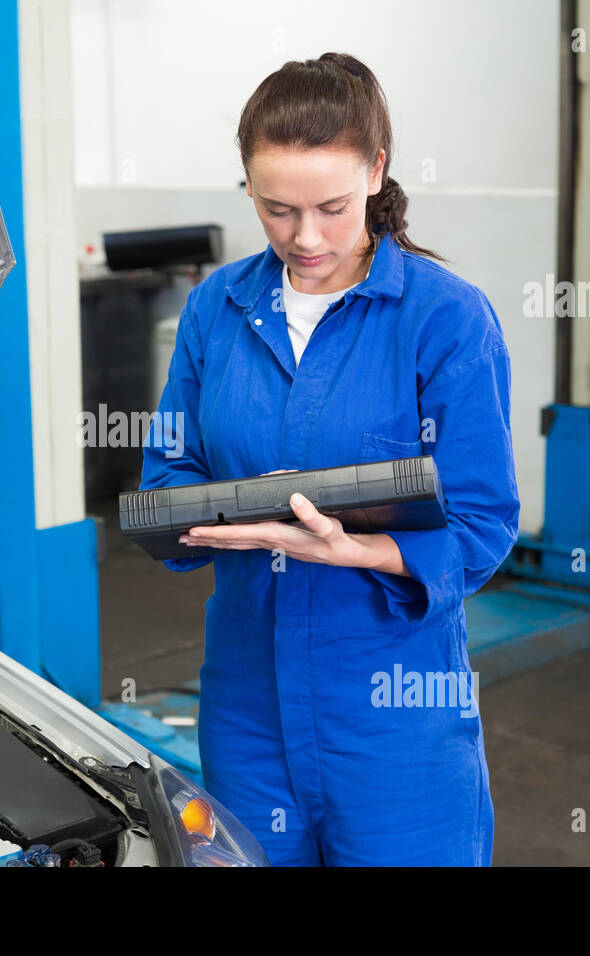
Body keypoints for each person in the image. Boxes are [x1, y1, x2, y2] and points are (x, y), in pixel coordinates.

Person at [139, 52, 520, 866]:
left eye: (332, 208)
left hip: (393, 712)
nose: (305, 238)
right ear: (246, 186)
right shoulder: (218, 308)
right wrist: (235, 510)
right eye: (277, 210)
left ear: (377, 172)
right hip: (246, 702)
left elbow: (483, 522)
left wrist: (355, 549)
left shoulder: (445, 319)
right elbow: (168, 479)